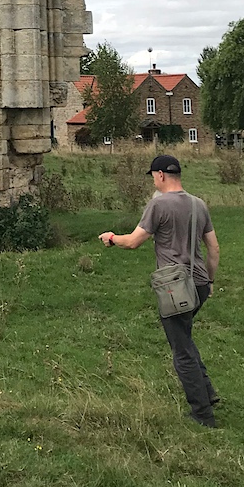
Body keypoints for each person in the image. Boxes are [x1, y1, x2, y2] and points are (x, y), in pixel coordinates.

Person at [97, 154, 221, 428]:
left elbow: (133, 242)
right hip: (198, 284)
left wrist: (111, 238)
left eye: (153, 175)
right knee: (185, 337)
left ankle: (202, 414)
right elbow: (213, 248)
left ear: (161, 175)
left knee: (181, 351)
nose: (153, 179)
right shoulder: (199, 204)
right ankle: (208, 392)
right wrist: (209, 282)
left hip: (174, 288)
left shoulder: (158, 205)